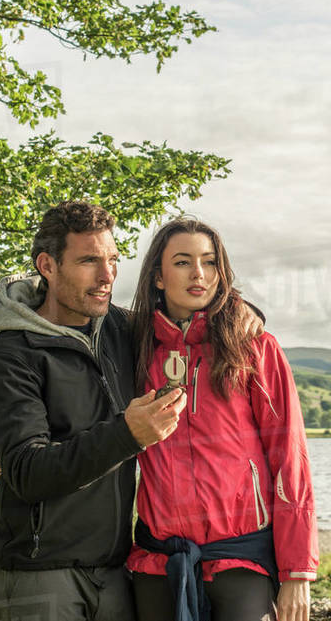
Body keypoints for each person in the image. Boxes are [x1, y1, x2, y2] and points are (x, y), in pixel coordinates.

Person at [0, 201, 188, 621]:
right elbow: (28, 473)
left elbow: (189, 316)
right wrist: (128, 434)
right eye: (89, 260)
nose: (107, 276)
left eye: (112, 260)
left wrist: (242, 312)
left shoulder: (121, 330)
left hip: (112, 572)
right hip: (37, 574)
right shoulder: (11, 358)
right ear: (47, 265)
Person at [127, 218, 318, 621]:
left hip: (240, 556)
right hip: (158, 560)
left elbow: (290, 457)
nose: (199, 273)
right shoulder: (134, 349)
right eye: (182, 262)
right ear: (158, 277)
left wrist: (297, 572)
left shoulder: (254, 347)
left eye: (210, 262)